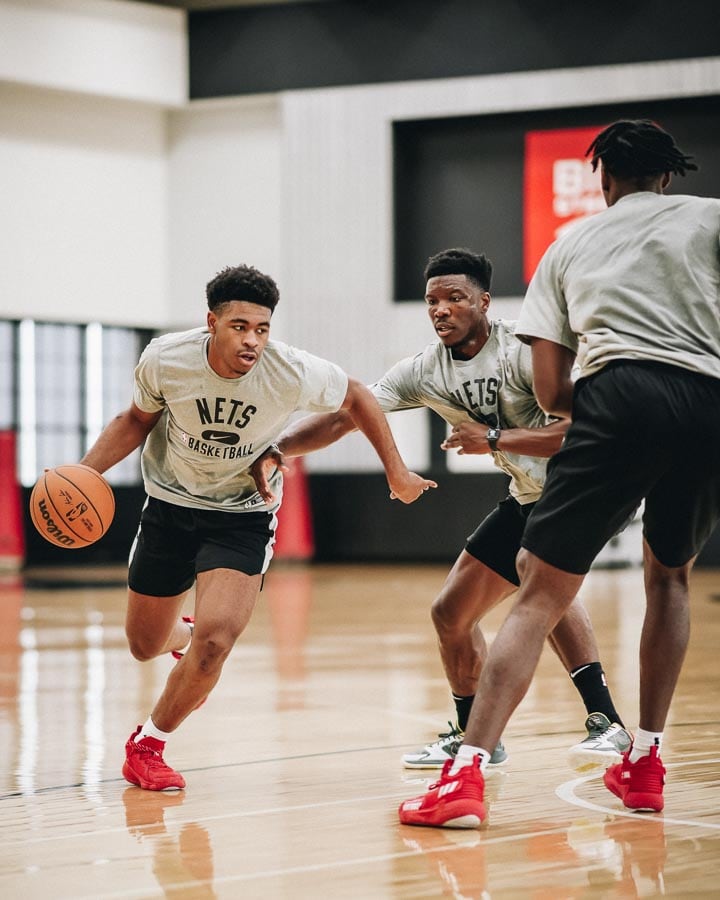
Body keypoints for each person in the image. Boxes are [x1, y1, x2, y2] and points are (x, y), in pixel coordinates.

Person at [398, 119, 720, 829]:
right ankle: (645, 762)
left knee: (539, 592)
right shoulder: (711, 219)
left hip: (617, 395)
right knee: (669, 577)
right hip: (709, 402)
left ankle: (467, 776)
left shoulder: (570, 244)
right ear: (668, 174)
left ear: (602, 178)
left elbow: (550, 391)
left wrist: (613, 402)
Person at [252, 247, 630, 772]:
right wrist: (279, 450)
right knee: (450, 613)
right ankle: (476, 736)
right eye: (433, 301)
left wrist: (494, 438)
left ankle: (608, 724)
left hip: (582, 488)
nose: (441, 309)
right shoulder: (424, 371)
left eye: (455, 298)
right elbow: (347, 416)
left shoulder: (524, 349)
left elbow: (586, 428)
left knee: (542, 583)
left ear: (484, 302)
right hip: (528, 497)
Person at [78, 263, 436, 792]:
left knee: (219, 641)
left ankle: (148, 744)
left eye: (262, 329)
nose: (253, 340)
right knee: (143, 644)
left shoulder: (289, 370)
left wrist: (398, 471)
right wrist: (83, 476)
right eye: (240, 326)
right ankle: (185, 639)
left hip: (243, 513)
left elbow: (357, 396)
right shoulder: (166, 359)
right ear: (211, 323)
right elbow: (134, 420)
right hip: (170, 505)